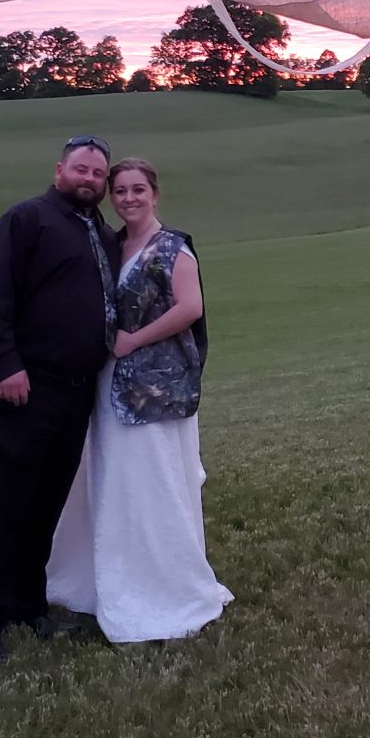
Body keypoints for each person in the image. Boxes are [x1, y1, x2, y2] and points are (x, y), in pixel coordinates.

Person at [47, 157, 232, 643]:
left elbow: (190, 308)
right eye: (120, 191)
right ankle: (113, 578)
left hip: (156, 390)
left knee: (154, 485)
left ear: (154, 193)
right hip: (111, 386)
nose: (128, 198)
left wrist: (135, 340)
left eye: (137, 190)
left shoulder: (172, 247)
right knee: (116, 484)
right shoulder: (112, 244)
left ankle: (165, 588)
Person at [0, 134, 120, 669]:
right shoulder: (26, 220)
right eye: (81, 170)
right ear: (59, 169)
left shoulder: (98, 230)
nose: (90, 180)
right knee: (7, 504)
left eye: (98, 175)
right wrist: (5, 364)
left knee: (45, 505)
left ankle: (29, 606)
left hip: (77, 394)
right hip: (27, 388)